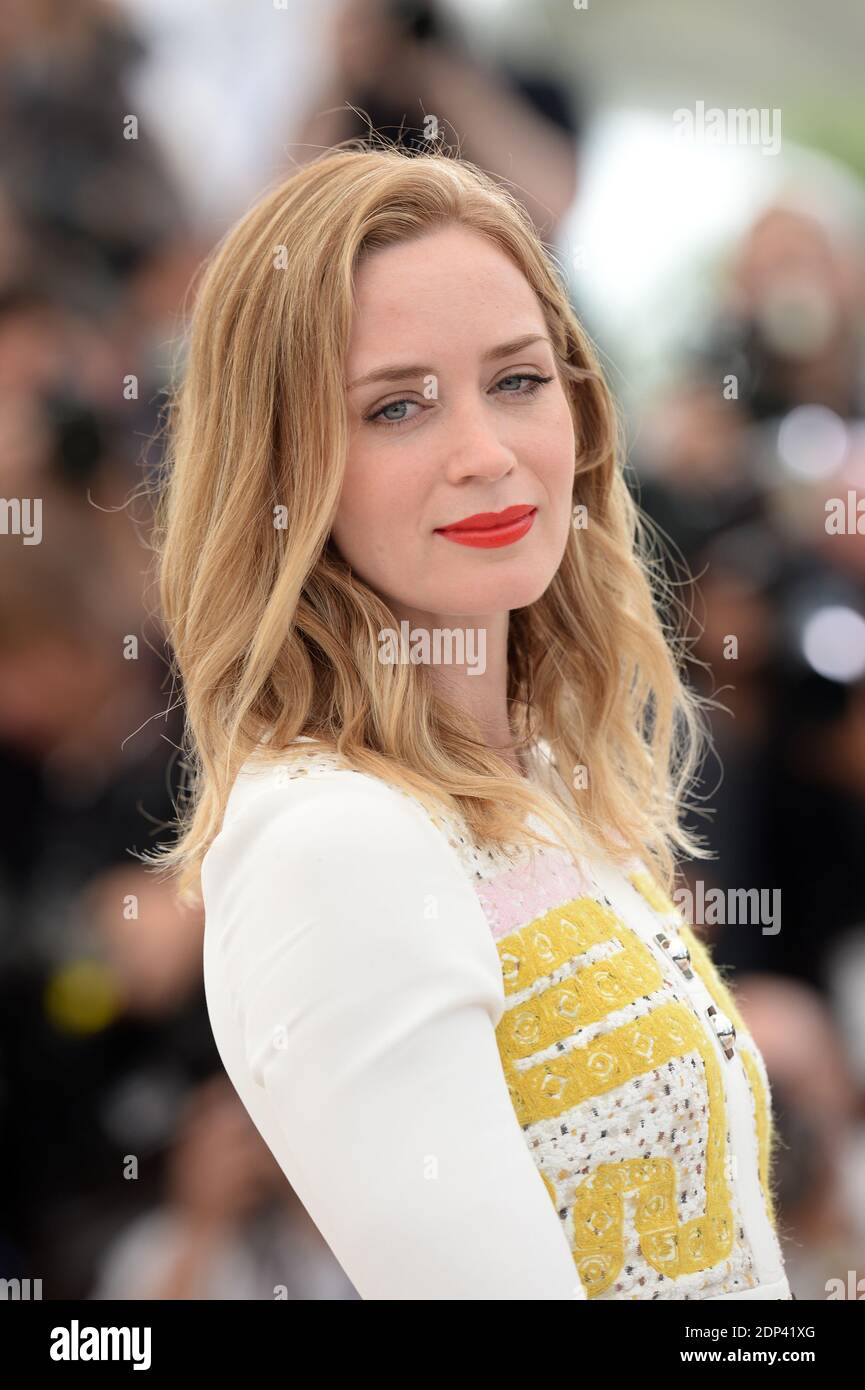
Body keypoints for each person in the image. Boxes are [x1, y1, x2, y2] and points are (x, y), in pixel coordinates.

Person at [147, 142, 794, 1301]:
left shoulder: (546, 784)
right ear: (283, 466)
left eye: (517, 380)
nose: (487, 455)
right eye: (397, 406)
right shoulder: (329, 838)